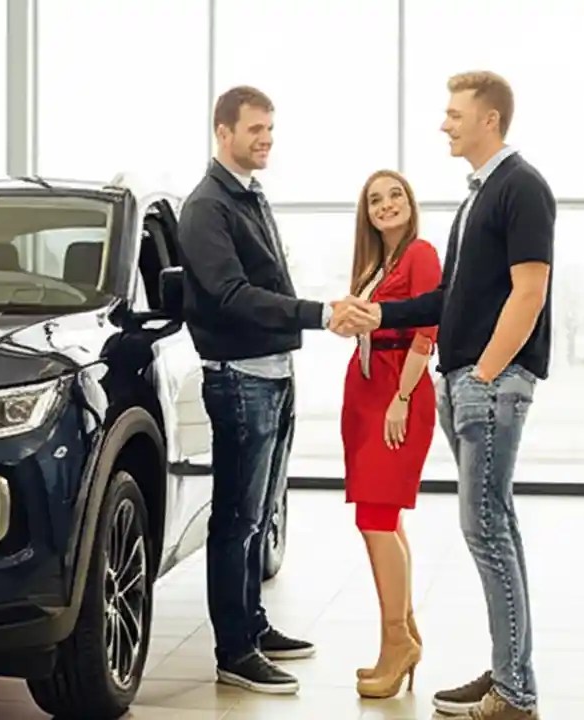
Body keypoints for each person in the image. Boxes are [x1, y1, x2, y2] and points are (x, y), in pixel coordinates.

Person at [334, 70, 554, 720]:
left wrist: (483, 373)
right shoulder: (477, 198)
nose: (445, 123)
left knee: (486, 531)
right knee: (494, 531)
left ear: (489, 118)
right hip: (466, 383)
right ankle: (508, 674)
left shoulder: (522, 187)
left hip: (489, 382)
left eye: (455, 113)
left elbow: (530, 291)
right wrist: (382, 318)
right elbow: (446, 300)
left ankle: (515, 693)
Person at [175, 84, 333, 695]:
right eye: (254, 130)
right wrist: (318, 313)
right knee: (237, 520)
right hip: (241, 382)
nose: (265, 139)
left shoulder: (249, 196)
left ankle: (255, 626)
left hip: (273, 375)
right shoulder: (207, 207)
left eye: (270, 129)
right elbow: (230, 295)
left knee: (260, 513)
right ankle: (234, 651)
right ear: (223, 132)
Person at [339, 170, 440, 700]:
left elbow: (428, 329)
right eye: (375, 200)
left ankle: (396, 642)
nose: (386, 205)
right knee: (380, 516)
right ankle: (403, 631)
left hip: (398, 391)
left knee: (376, 517)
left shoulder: (421, 254)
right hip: (366, 389)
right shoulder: (377, 265)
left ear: (409, 201)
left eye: (394, 195)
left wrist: (401, 398)